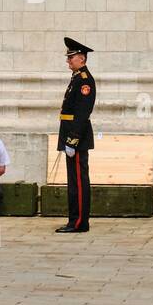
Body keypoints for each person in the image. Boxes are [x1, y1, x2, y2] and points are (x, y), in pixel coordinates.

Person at [56, 38, 96, 233]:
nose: (68, 61)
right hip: (71, 135)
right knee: (73, 182)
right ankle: (74, 220)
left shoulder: (84, 81)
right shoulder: (76, 78)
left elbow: (81, 113)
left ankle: (80, 222)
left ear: (82, 59)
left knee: (79, 182)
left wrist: (72, 140)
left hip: (76, 138)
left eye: (71, 58)